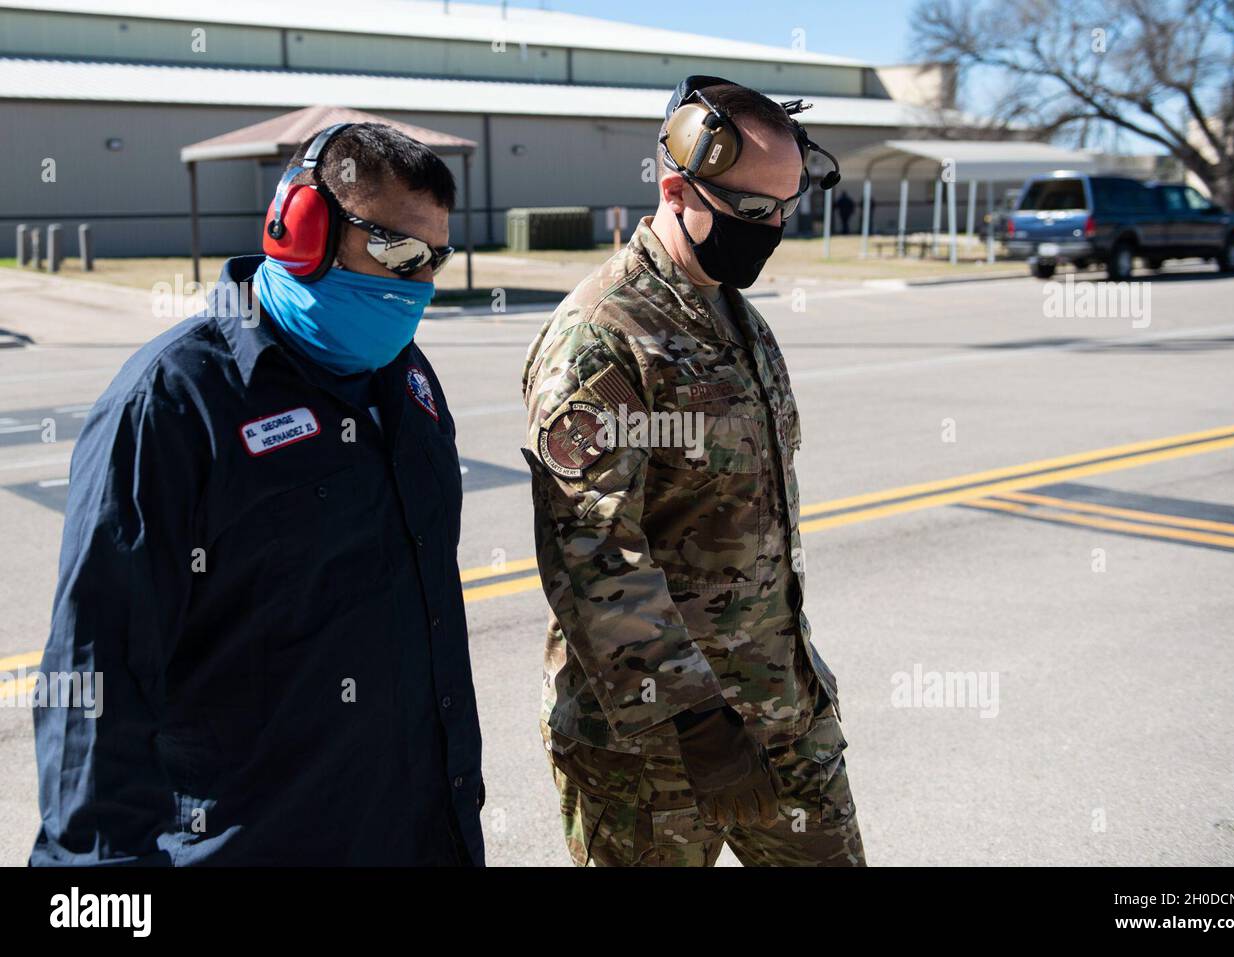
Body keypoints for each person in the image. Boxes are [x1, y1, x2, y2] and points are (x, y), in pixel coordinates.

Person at [31, 122, 485, 866]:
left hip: (423, 833)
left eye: (435, 259)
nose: (418, 287)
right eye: (398, 254)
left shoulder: (407, 379)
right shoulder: (174, 404)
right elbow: (96, 671)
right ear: (299, 230)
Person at [522, 77, 865, 866]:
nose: (773, 227)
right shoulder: (603, 334)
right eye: (753, 210)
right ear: (676, 190)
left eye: (786, 206)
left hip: (782, 715)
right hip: (653, 750)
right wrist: (699, 727)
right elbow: (592, 550)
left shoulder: (739, 319)